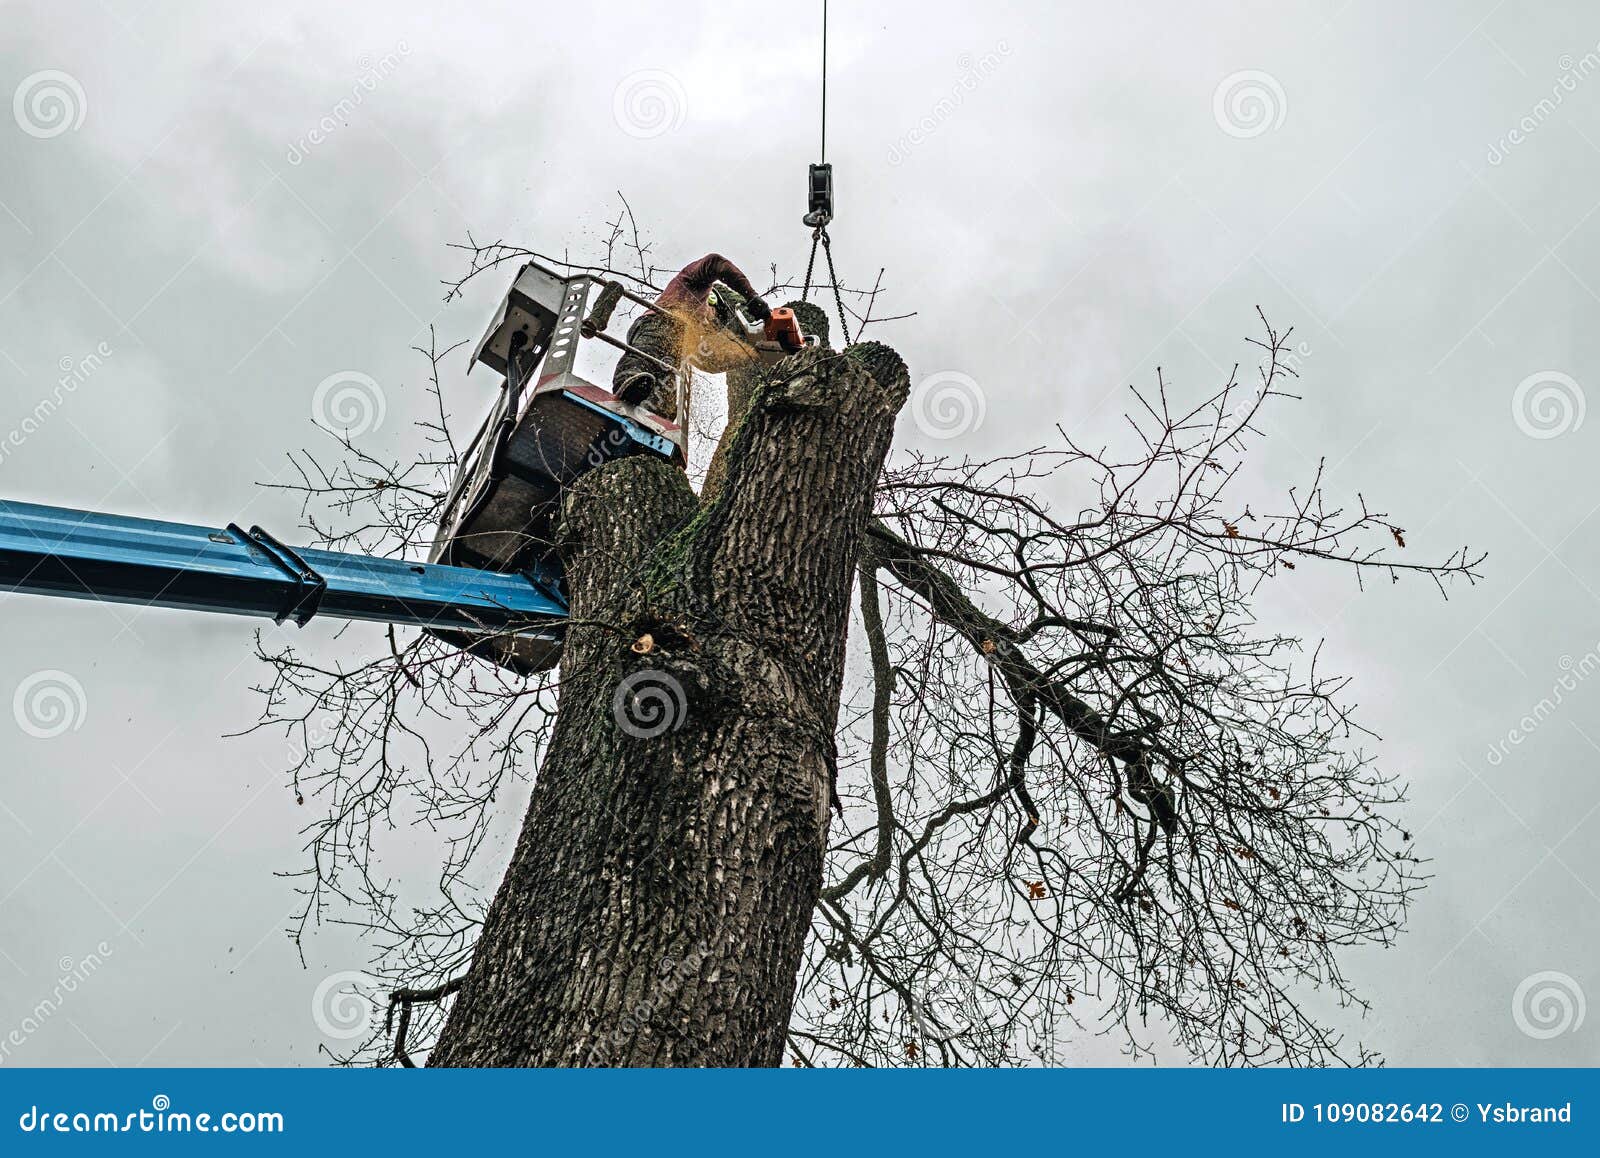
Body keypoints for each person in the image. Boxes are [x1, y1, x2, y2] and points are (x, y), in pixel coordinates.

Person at [611, 254, 772, 420]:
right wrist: (751, 295)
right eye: (715, 318)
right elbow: (715, 262)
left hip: (673, 352)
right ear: (712, 302)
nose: (711, 326)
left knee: (666, 400)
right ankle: (628, 387)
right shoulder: (693, 284)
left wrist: (754, 354)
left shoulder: (692, 337)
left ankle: (651, 417)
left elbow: (709, 362)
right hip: (658, 323)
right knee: (645, 361)